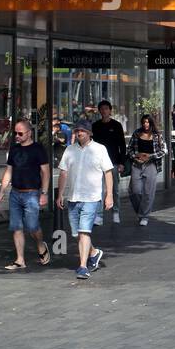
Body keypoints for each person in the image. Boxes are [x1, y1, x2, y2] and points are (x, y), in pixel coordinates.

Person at [56, 119, 114, 280]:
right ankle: (94, 253)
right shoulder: (69, 150)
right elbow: (63, 173)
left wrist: (109, 195)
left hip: (92, 197)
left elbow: (108, 173)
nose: (79, 133)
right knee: (77, 234)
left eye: (82, 131)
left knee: (84, 231)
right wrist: (60, 194)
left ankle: (83, 266)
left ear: (89, 133)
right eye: (77, 131)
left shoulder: (99, 149)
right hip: (73, 197)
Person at [0, 119, 51, 270]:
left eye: (20, 133)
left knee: (33, 227)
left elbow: (46, 172)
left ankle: (40, 245)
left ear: (29, 133)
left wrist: (44, 193)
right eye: (15, 133)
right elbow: (9, 170)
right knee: (16, 227)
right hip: (15, 193)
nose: (17, 136)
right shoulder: (14, 149)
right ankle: (20, 259)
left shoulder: (38, 149)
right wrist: (2, 190)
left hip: (32, 194)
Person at [92, 100, 127, 225]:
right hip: (98, 163)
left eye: (106, 108)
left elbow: (122, 145)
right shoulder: (95, 126)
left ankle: (116, 212)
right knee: (99, 189)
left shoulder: (116, 125)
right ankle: (99, 215)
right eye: (102, 109)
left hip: (114, 162)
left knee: (115, 189)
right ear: (99, 111)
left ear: (110, 110)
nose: (104, 111)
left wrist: (122, 162)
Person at [128, 114, 163, 226]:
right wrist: (135, 156)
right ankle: (141, 212)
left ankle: (144, 216)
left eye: (147, 122)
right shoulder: (136, 133)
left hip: (151, 165)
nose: (145, 124)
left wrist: (150, 156)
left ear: (151, 123)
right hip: (137, 164)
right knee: (135, 191)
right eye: (143, 122)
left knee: (148, 192)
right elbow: (129, 149)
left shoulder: (157, 135)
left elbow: (164, 151)